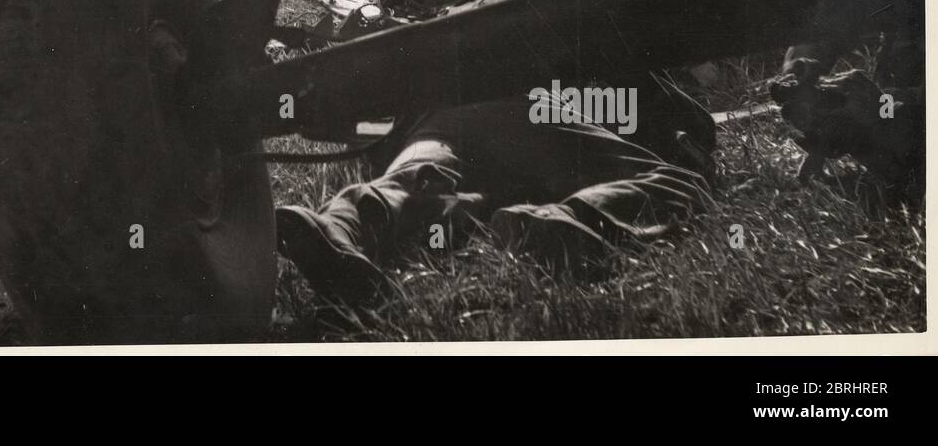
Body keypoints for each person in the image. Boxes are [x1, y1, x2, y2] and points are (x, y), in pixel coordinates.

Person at [277, 68, 714, 307]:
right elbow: (677, 114)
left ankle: (339, 226)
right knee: (684, 181)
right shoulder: (578, 31)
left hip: (444, 120)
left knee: (415, 182)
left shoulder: (462, 33)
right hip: (540, 114)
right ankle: (564, 220)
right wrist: (686, 140)